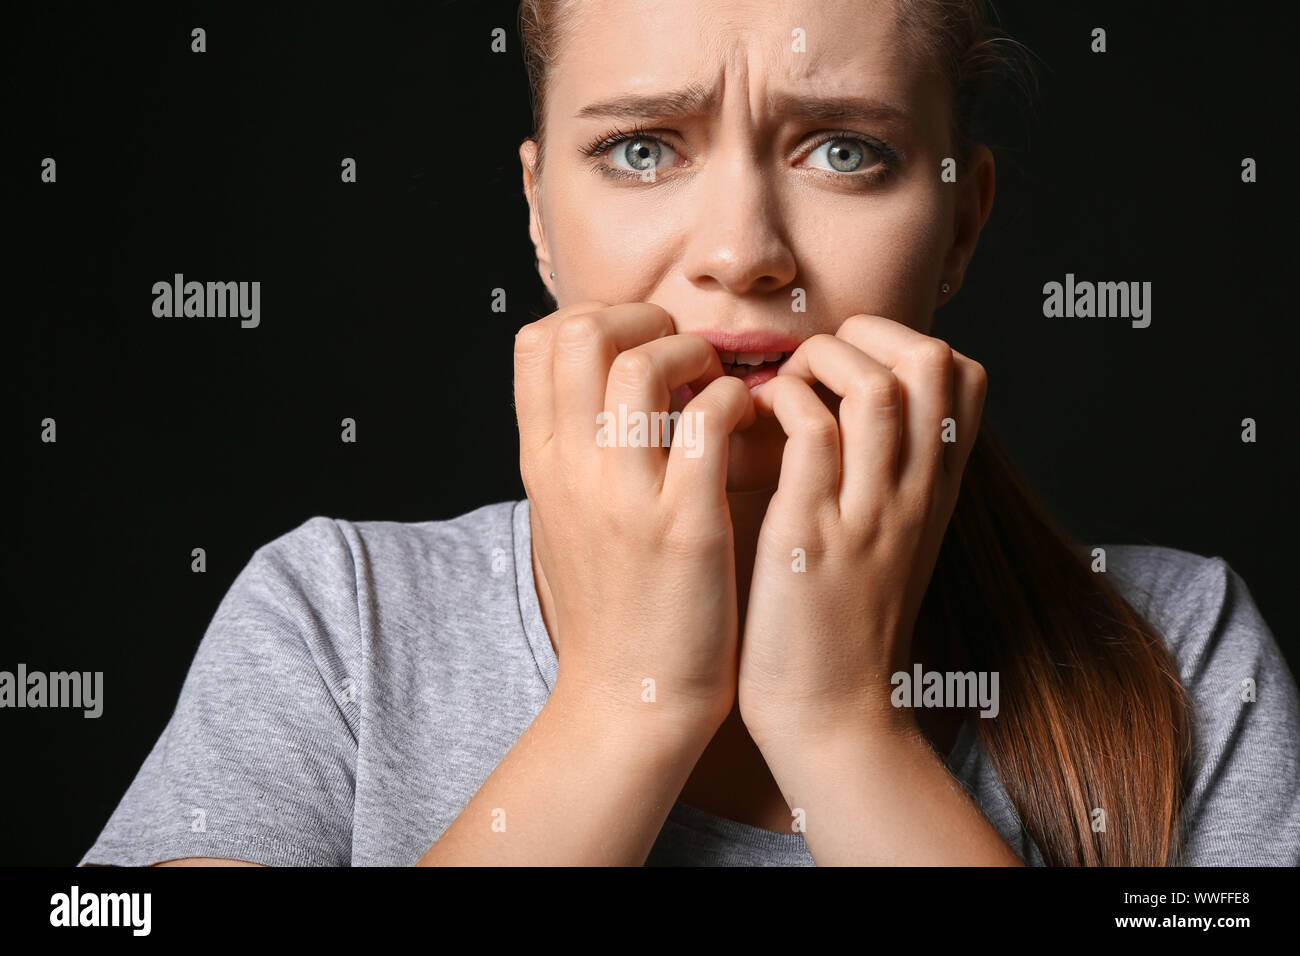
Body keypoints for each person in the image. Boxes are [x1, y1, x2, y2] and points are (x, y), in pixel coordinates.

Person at [81, 0, 1300, 867]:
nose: (741, 253)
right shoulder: (335, 617)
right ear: (538, 214)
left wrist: (838, 727)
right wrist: (621, 702)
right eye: (641, 148)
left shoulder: (1183, 649)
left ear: (962, 224)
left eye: (843, 150)